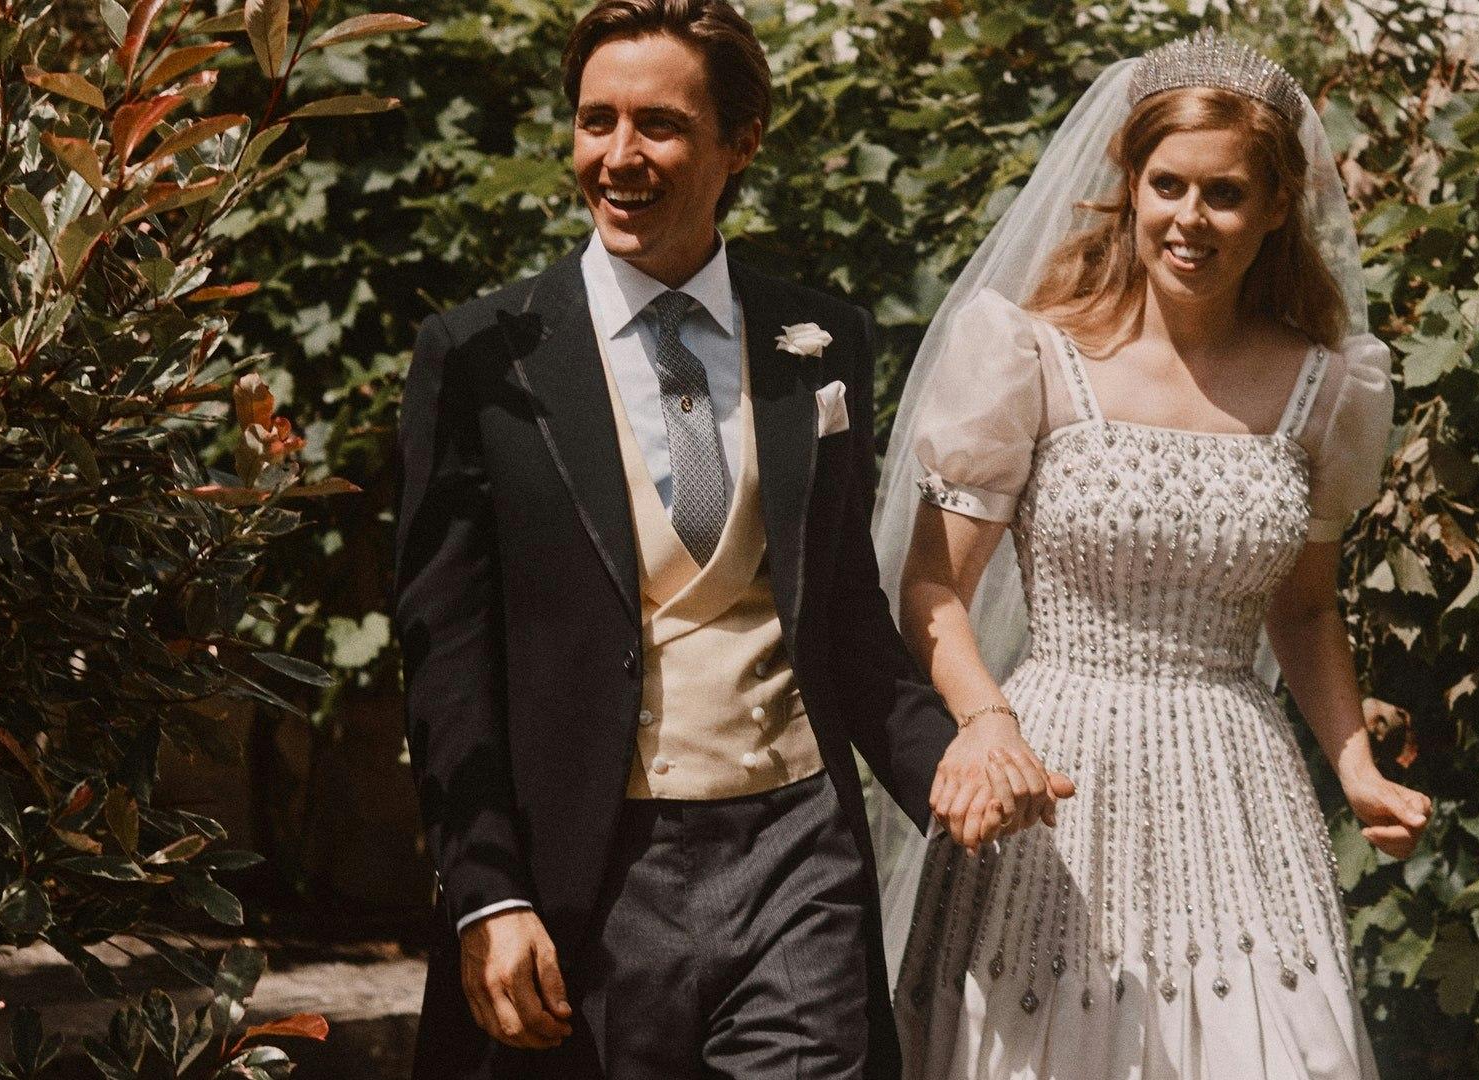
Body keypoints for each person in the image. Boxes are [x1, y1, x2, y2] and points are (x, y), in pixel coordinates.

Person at [393, 3, 1064, 1076]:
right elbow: (447, 659)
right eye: (593, 121)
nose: (617, 156)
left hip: (796, 850)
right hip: (591, 868)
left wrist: (954, 762)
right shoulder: (481, 358)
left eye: (656, 124)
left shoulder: (821, 340)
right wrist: (489, 892)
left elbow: (841, 608)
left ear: (738, 143)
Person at [868, 30, 1434, 1079]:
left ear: (1274, 207)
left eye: (1224, 193)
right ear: (1129, 185)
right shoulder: (1029, 355)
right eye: (1167, 184)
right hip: (1056, 776)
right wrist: (987, 725)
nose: (1190, 218)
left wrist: (1355, 765)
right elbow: (935, 585)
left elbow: (1305, 612)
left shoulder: (1324, 387)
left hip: (1237, 783)